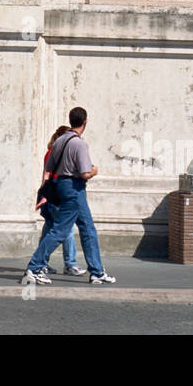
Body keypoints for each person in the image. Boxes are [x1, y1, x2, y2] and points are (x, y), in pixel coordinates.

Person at [21, 107, 116, 286]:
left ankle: (97, 271)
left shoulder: (60, 140)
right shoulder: (79, 144)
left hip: (63, 186)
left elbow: (49, 167)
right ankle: (34, 267)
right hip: (74, 187)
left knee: (88, 228)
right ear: (85, 122)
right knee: (61, 230)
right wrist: (95, 170)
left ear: (71, 120)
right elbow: (85, 172)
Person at [34, 125, 83, 276]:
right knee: (66, 229)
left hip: (52, 195)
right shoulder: (54, 154)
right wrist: (45, 195)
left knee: (49, 228)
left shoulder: (52, 153)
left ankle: (42, 263)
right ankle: (70, 264)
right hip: (55, 196)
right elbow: (47, 176)